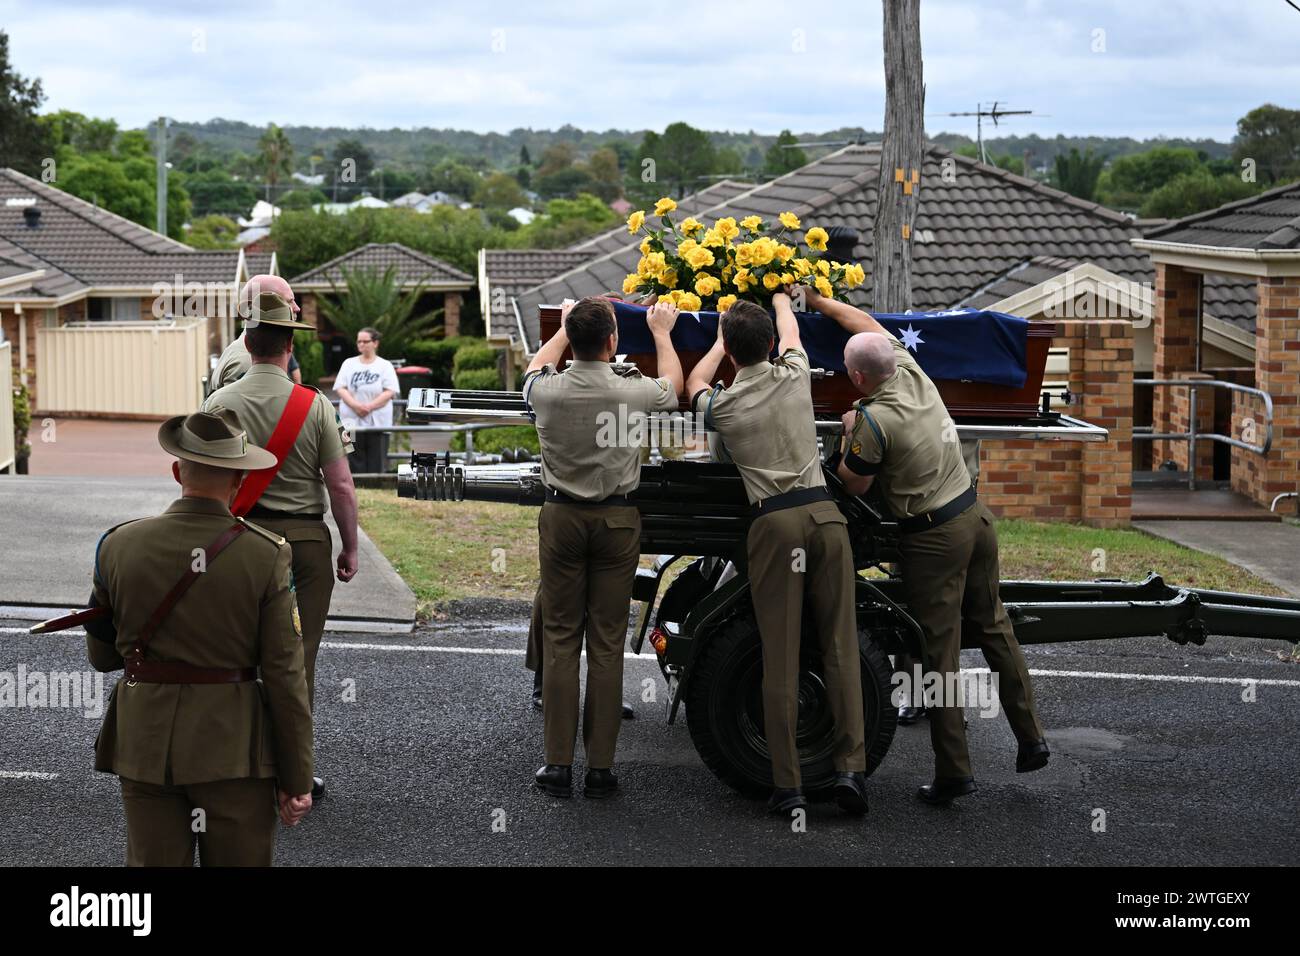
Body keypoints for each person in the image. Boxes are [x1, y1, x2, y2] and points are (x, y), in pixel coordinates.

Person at [810, 285, 1050, 805]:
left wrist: (852, 428)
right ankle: (1032, 739)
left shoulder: (873, 421)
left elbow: (853, 484)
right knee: (994, 629)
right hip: (974, 516)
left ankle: (955, 772)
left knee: (938, 655)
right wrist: (822, 301)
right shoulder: (912, 371)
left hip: (934, 540)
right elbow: (862, 323)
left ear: (856, 380)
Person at [85, 408, 314, 866]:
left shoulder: (117, 545)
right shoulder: (265, 555)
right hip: (232, 749)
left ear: (177, 471)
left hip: (144, 744)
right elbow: (285, 678)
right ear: (239, 480)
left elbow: (103, 656)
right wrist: (297, 778)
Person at [685, 294, 869, 817]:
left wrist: (718, 343)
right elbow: (791, 331)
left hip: (775, 524)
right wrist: (786, 298)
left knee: (780, 655)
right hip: (826, 516)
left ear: (731, 350)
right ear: (769, 345)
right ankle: (851, 771)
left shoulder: (722, 405)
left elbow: (691, 385)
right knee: (840, 645)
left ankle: (788, 784)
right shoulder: (795, 373)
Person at [523, 296, 682, 799]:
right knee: (608, 644)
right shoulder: (631, 390)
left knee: (562, 639)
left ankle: (556, 764)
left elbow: (535, 366)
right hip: (617, 519)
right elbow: (674, 390)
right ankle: (602, 768)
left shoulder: (548, 391)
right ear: (613, 341)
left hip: (562, 516)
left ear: (574, 339)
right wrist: (660, 332)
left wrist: (567, 327)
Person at [204, 287, 358, 800]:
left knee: (238, 655)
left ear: (246, 344)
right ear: (289, 346)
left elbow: (202, 479)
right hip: (307, 544)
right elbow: (340, 485)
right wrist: (350, 547)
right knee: (297, 658)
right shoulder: (313, 406)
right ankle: (294, 769)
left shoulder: (220, 402)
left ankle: (239, 759)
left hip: (241, 539)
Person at [209, 274, 304, 394]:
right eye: (289, 302)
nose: (297, 308)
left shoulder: (244, 351)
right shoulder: (248, 361)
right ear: (265, 305)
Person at [333, 327, 400, 474]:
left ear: (375, 343)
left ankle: (375, 487)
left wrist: (368, 407)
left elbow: (390, 391)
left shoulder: (385, 365)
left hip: (378, 421)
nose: (361, 344)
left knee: (377, 459)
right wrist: (356, 406)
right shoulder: (348, 363)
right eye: (359, 342)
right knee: (353, 458)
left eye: (365, 341)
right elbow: (340, 388)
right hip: (351, 420)